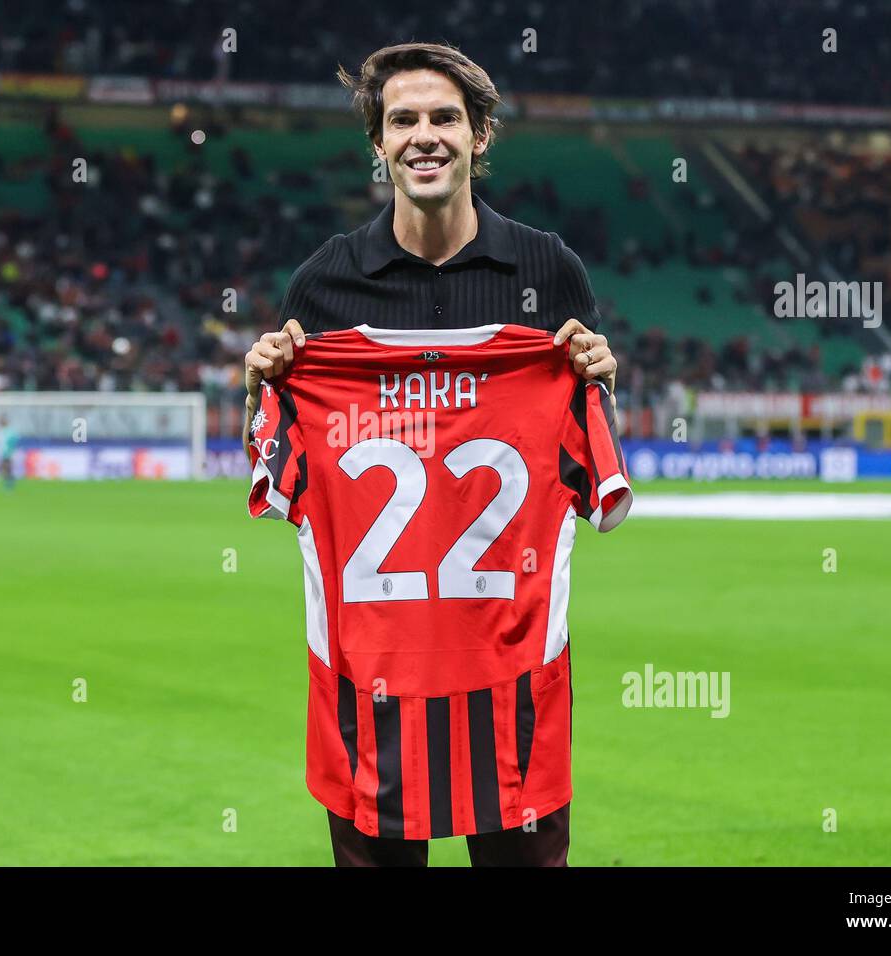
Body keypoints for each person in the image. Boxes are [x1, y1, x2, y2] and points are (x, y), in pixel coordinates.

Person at [241, 42, 621, 867]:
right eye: (401, 120)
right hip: (371, 691)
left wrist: (600, 381)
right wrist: (260, 393)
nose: (424, 136)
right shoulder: (324, 289)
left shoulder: (549, 271)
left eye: (444, 117)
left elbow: (586, 472)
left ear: (481, 134)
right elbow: (286, 465)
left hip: (511, 682)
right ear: (377, 144)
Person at [0, 416, 18, 490]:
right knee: (3, 469)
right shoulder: (0, 431)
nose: (1, 422)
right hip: (1, 453)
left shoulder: (9, 431)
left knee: (6, 469)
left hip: (7, 453)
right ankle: (8, 484)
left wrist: (9, 451)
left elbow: (13, 441)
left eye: (2, 421)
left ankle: (9, 485)